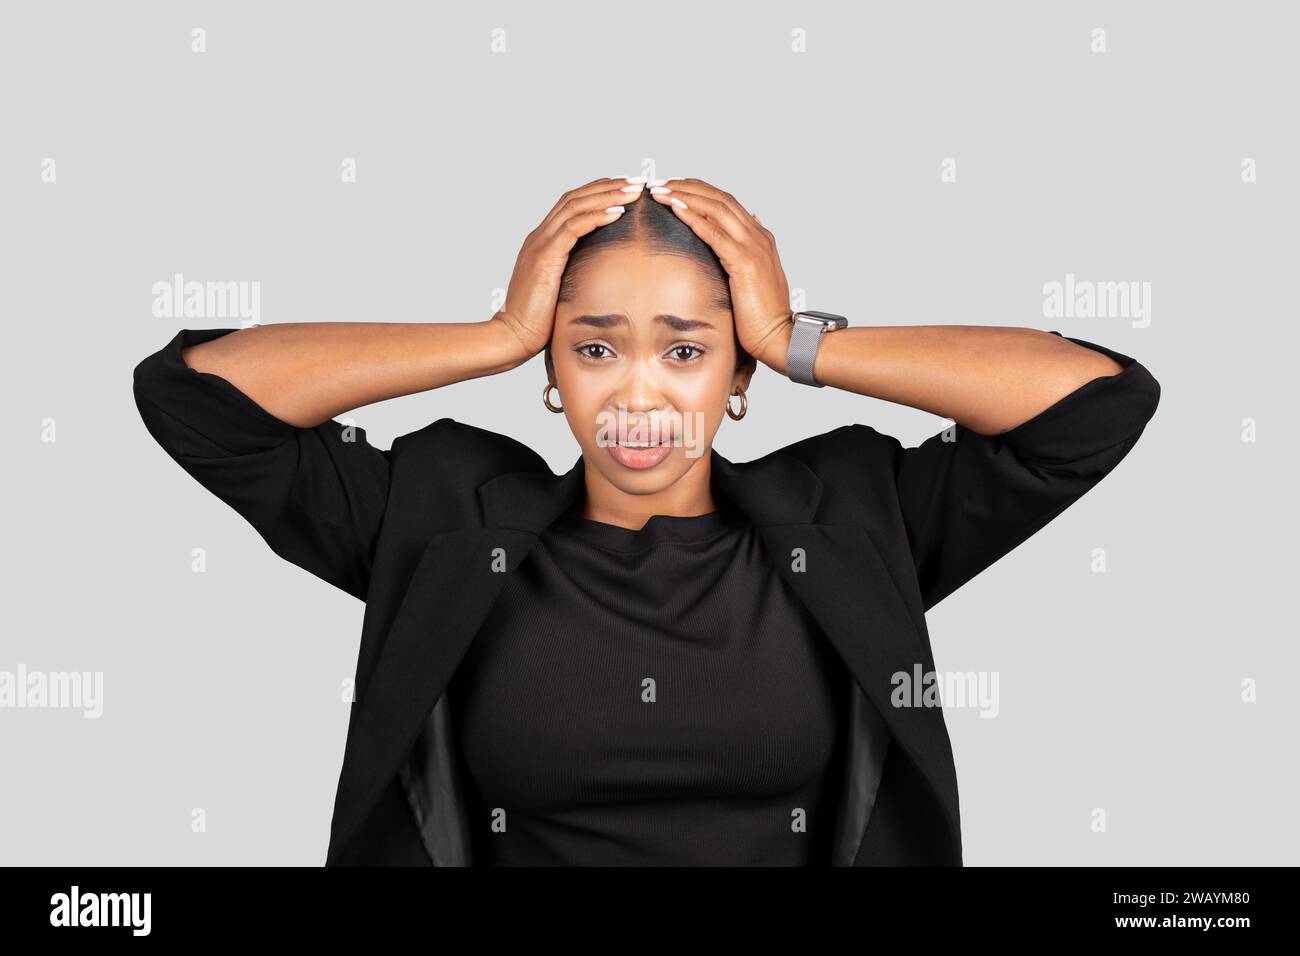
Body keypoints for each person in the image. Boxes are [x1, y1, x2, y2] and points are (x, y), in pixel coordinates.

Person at [132, 176, 1161, 865]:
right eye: (592, 348)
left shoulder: (854, 516)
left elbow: (1093, 403)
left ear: (737, 372)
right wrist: (492, 333)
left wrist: (794, 336)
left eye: (684, 349)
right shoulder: (441, 514)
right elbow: (195, 400)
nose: (637, 393)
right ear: (549, 368)